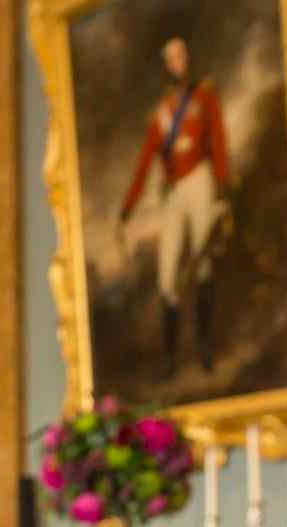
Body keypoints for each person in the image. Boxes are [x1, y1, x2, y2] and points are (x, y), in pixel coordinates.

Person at [118, 37, 230, 380]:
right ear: (165, 64)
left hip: (201, 179)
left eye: (182, 54)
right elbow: (144, 164)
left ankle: (204, 347)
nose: (178, 61)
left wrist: (223, 188)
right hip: (174, 191)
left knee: (202, 264)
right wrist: (127, 209)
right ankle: (170, 360)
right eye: (171, 57)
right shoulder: (161, 114)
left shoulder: (205, 96)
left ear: (189, 58)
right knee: (168, 276)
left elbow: (219, 143)